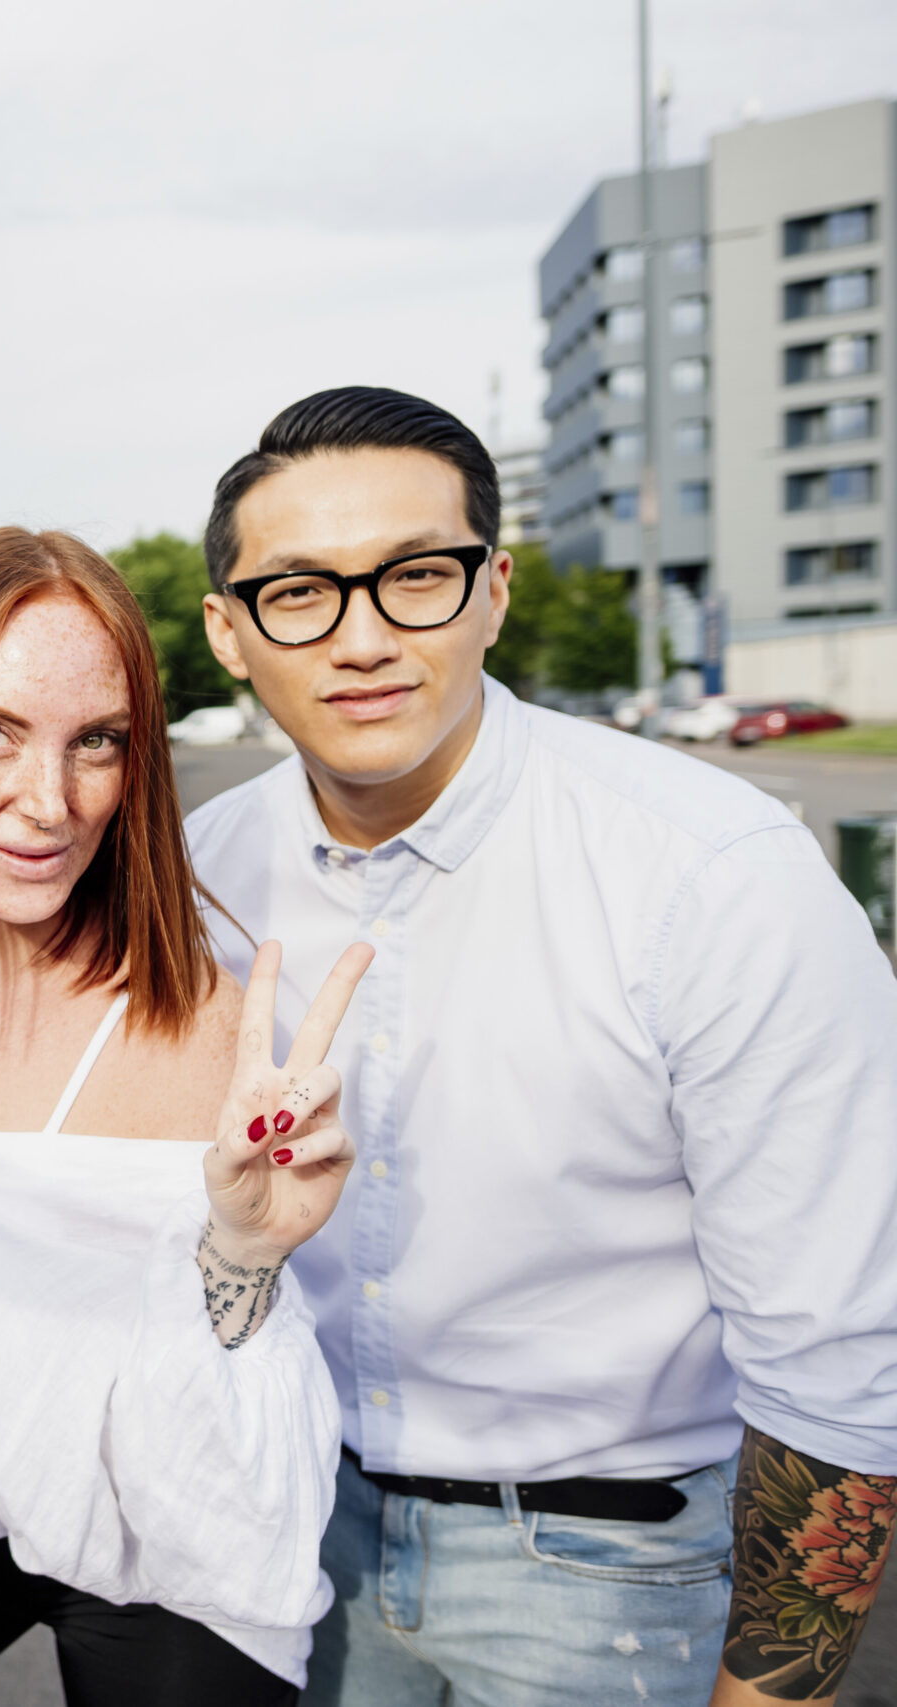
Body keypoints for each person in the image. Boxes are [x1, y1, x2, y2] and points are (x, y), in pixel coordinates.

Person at [186, 385, 897, 1706]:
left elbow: (839, 1353)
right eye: (300, 593)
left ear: (493, 592)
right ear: (229, 631)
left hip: (609, 1566)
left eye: (417, 575)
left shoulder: (714, 876)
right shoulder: (196, 879)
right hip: (283, 1525)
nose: (362, 638)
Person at [0, 528, 373, 1705]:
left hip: (146, 1525)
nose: (50, 803)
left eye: (97, 743)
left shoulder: (196, 1025)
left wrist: (244, 1255)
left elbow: (227, 1420)